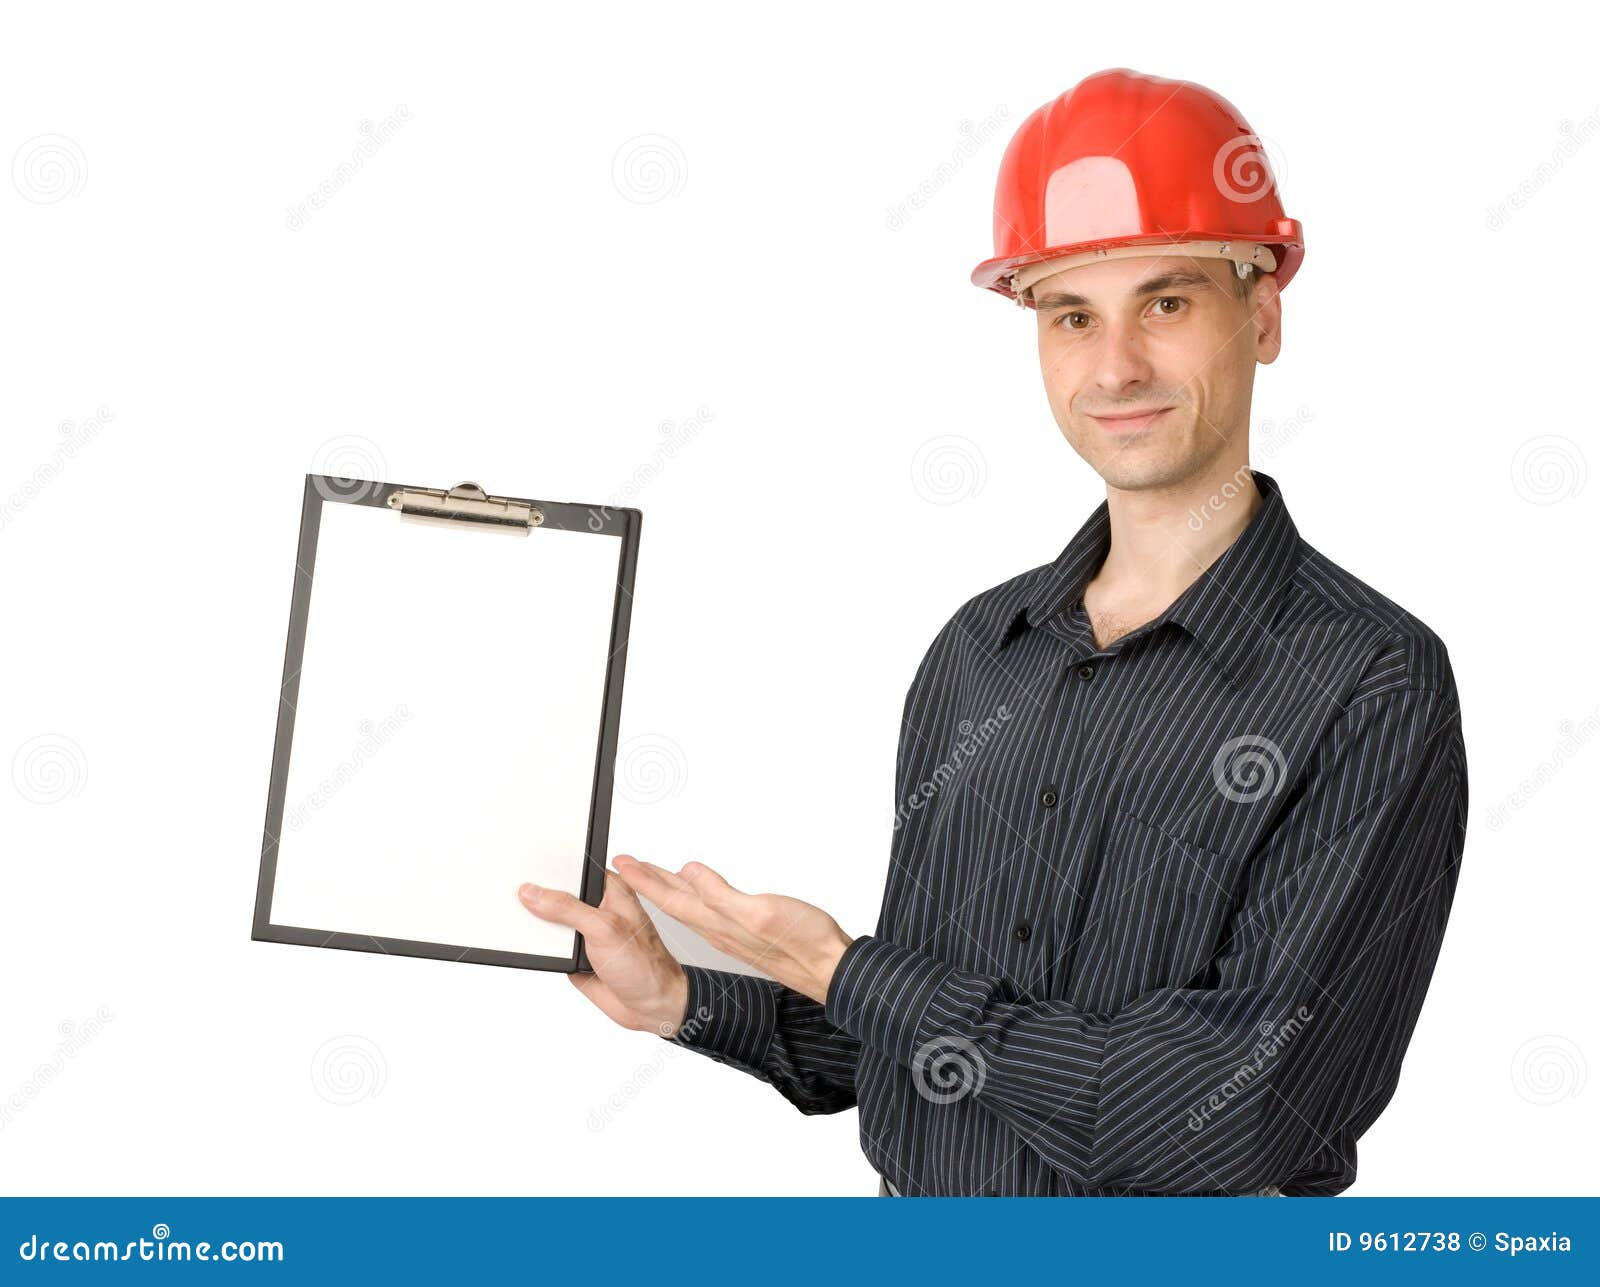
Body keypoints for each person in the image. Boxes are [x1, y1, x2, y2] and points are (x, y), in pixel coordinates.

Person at [517, 68, 1467, 1197]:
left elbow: (1227, 1121)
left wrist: (844, 966)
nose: (1114, 368)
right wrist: (686, 995)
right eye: (1072, 315)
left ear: (1260, 316)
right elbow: (916, 1050)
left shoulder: (1369, 681)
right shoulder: (980, 650)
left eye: (1164, 303)